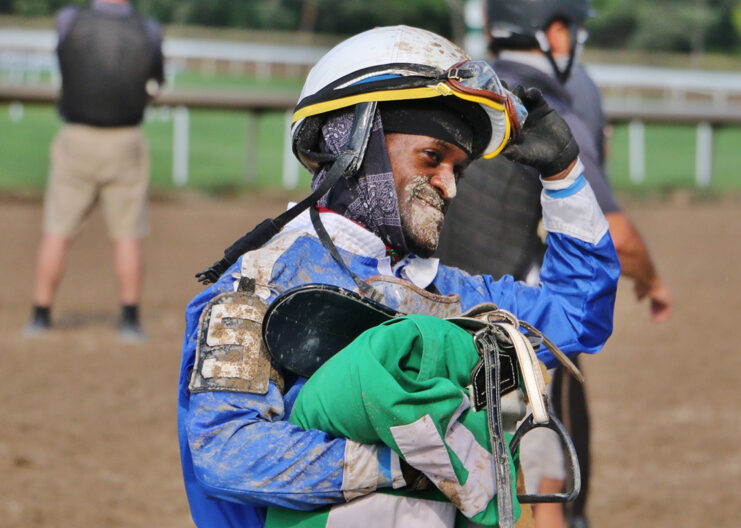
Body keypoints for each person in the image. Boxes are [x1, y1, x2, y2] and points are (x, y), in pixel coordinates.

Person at [178, 25, 619, 528]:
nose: (450, 187)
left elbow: (577, 315)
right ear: (354, 143)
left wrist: (564, 178)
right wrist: (414, 465)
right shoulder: (258, 283)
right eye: (433, 158)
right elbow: (226, 454)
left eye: (460, 169)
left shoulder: (451, 294)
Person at [436, 2, 674, 527]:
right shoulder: (549, 111)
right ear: (558, 34)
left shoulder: (459, 97)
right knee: (547, 490)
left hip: (439, 322)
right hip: (524, 335)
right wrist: (653, 282)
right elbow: (618, 236)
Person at [25, 0, 164, 340]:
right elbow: (155, 86)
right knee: (128, 234)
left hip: (76, 137)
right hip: (126, 140)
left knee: (57, 229)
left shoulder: (69, 19)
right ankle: (129, 319)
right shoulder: (148, 29)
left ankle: (40, 316)